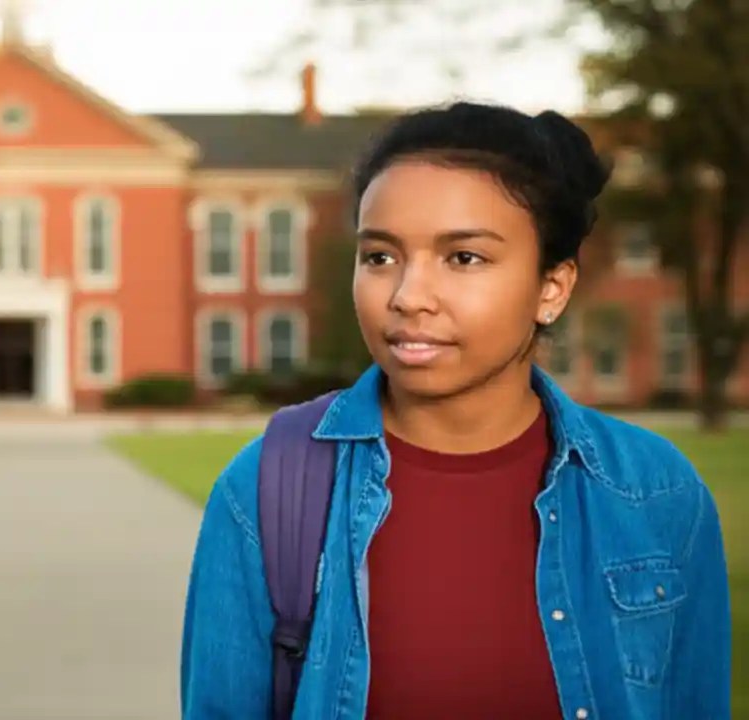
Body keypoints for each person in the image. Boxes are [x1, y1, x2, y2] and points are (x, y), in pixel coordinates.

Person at [179, 101, 731, 720]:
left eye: (464, 257)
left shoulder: (656, 493)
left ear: (552, 287)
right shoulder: (266, 491)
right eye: (380, 257)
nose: (409, 296)